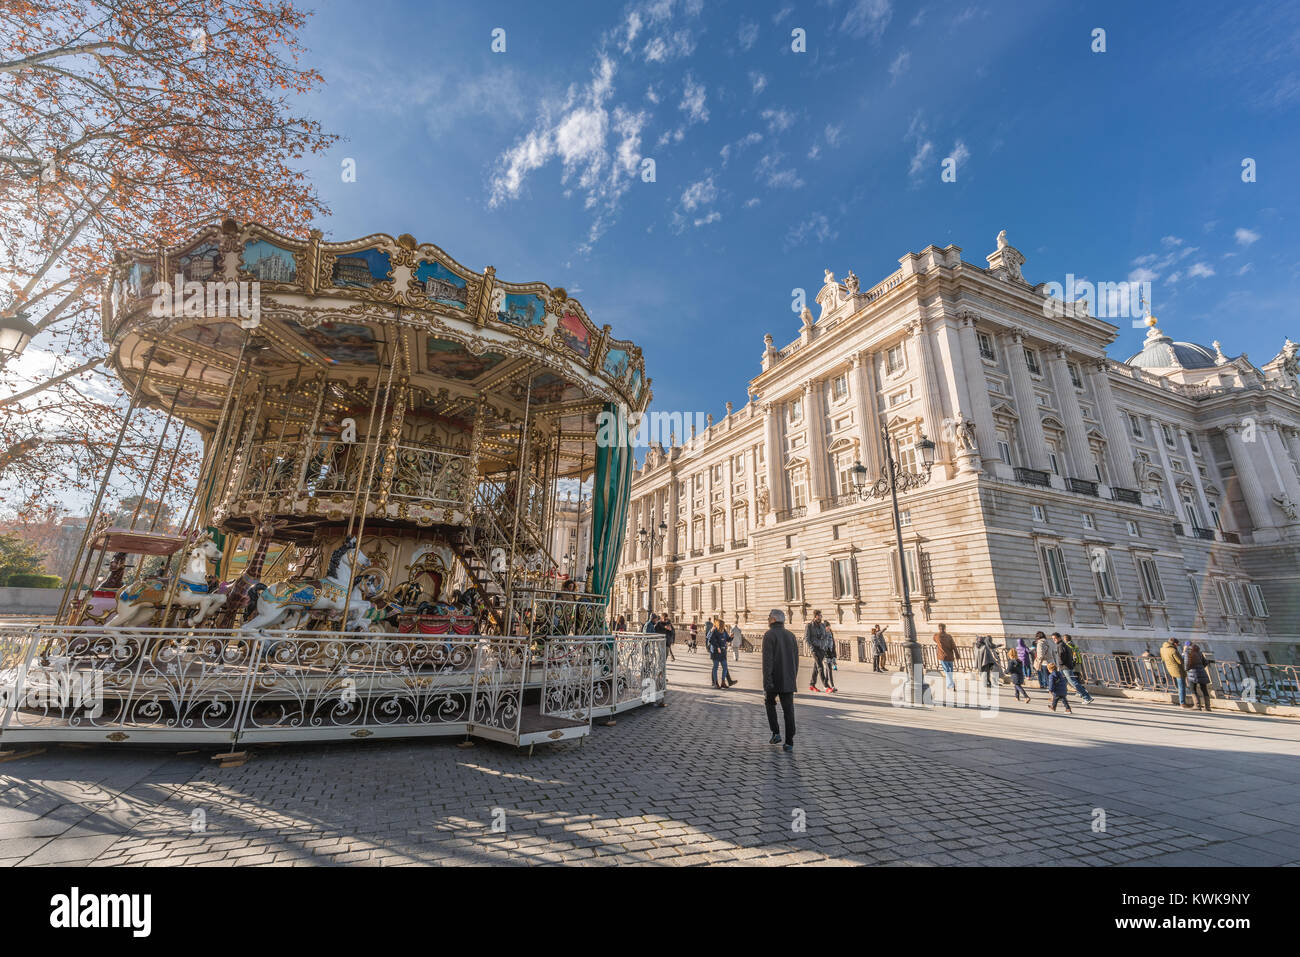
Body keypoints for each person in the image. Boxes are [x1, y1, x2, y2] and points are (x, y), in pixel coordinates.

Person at [761, 608, 798, 752]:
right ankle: (789, 742)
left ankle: (776, 732)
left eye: (769, 617)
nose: (768, 619)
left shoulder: (769, 635)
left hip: (773, 679)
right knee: (789, 710)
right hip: (788, 678)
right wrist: (793, 676)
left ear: (774, 620)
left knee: (769, 703)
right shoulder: (791, 635)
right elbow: (796, 660)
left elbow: (767, 661)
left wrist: (766, 682)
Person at [1053, 632, 1094, 704]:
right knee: (1062, 682)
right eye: (1053, 639)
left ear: (1059, 638)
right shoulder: (1065, 645)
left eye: (1055, 638)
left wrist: (1060, 664)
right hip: (1066, 666)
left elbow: (1061, 657)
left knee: (1073, 682)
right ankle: (1059, 696)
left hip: (1065, 667)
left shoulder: (1061, 645)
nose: (1054, 640)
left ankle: (1087, 697)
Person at [806, 610, 835, 692]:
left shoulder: (822, 625)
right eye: (819, 616)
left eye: (821, 616)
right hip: (815, 649)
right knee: (820, 667)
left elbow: (826, 636)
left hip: (822, 649)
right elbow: (807, 638)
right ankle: (826, 686)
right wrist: (812, 648)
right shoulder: (809, 626)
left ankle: (812, 684)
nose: (821, 617)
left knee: (816, 667)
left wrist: (824, 645)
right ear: (815, 617)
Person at [707, 615, 736, 688]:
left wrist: (731, 638)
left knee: (725, 667)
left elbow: (727, 639)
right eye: (723, 625)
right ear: (720, 625)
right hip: (716, 652)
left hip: (723, 652)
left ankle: (723, 682)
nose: (724, 626)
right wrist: (717, 647)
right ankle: (716, 683)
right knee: (716, 667)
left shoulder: (724, 631)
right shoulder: (715, 631)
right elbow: (710, 640)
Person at [1160, 637, 1189, 708]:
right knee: (1182, 686)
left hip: (1170, 669)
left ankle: (1182, 701)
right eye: (1177, 644)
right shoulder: (1173, 651)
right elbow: (1180, 661)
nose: (1177, 646)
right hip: (1178, 670)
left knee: (1179, 686)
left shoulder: (1162, 649)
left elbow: (1163, 659)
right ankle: (1182, 703)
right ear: (1174, 644)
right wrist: (1183, 653)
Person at [1186, 642, 1212, 711]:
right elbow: (1205, 662)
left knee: (1193, 689)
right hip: (1202, 672)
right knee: (1204, 689)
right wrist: (1201, 667)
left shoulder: (1188, 652)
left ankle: (1197, 706)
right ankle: (1208, 707)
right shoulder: (1199, 652)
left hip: (1192, 673)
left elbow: (1186, 664)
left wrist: (1187, 669)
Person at [934, 624, 958, 691]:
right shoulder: (949, 636)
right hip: (950, 656)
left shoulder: (936, 636)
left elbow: (934, 640)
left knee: (947, 671)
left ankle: (951, 684)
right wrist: (957, 654)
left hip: (943, 656)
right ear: (945, 628)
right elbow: (954, 646)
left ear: (939, 628)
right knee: (950, 670)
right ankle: (950, 685)